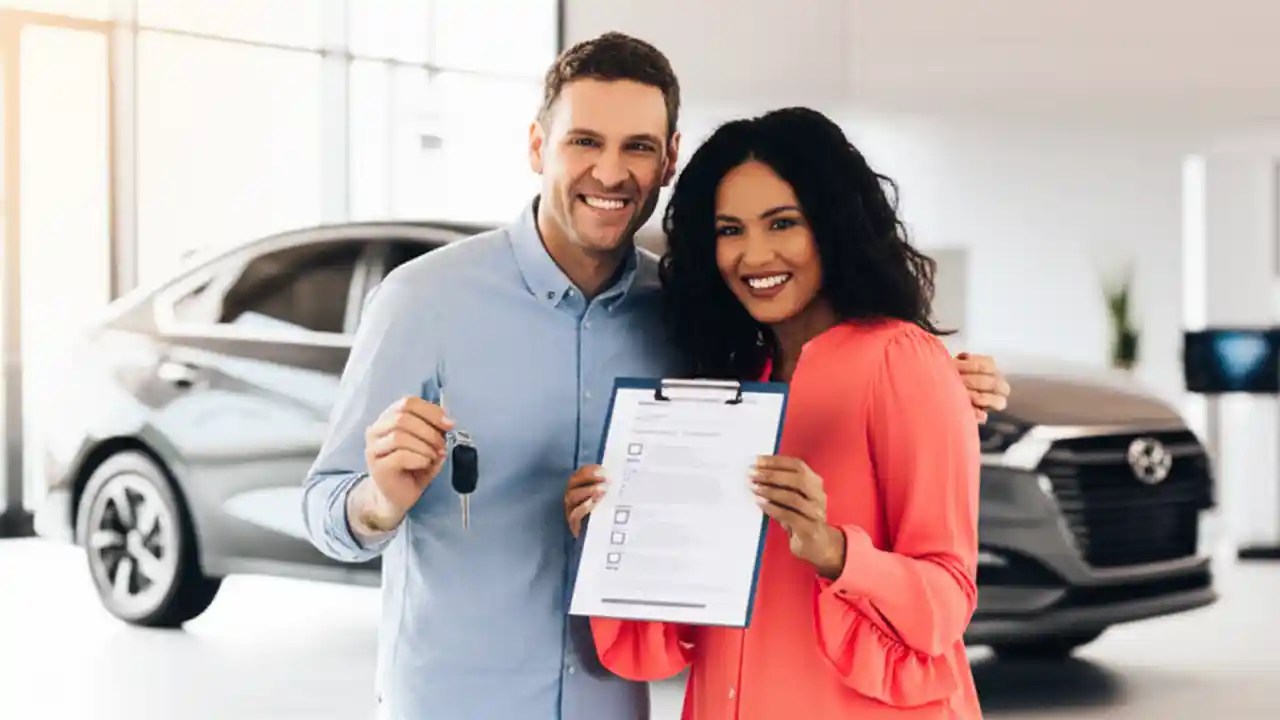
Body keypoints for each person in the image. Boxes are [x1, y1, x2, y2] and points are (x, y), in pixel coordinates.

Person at [302, 32, 1007, 720]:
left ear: (668, 160)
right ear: (538, 145)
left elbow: (932, 571)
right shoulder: (423, 301)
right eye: (585, 140)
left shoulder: (685, 324)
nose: (610, 173)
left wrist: (933, 389)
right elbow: (325, 507)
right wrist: (379, 502)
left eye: (637, 146)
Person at [567, 107, 986, 718]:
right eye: (730, 230)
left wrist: (835, 552)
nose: (754, 255)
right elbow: (670, 639)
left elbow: (948, 599)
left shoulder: (901, 363)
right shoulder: (732, 381)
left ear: (833, 226)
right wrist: (612, 531)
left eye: (782, 223)